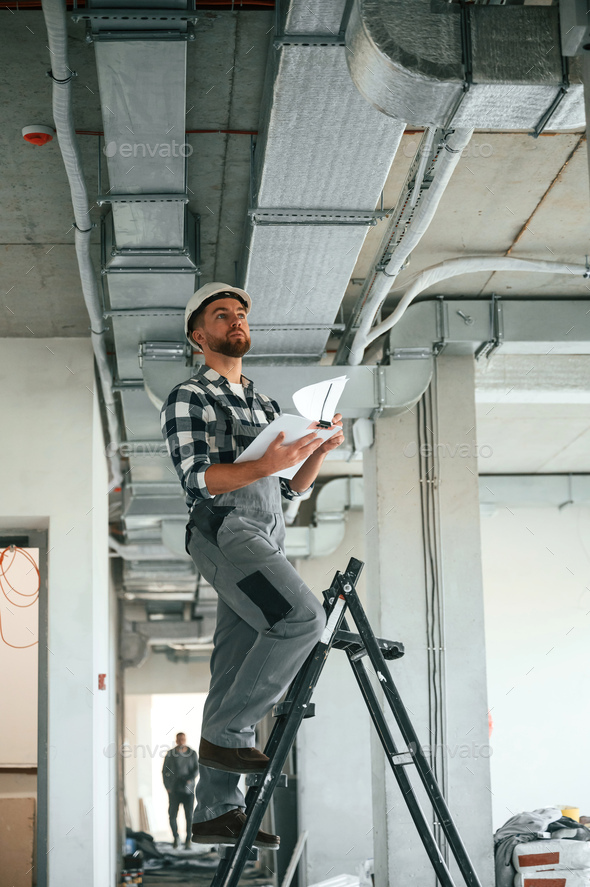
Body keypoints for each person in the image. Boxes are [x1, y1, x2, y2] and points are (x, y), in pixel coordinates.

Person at [160, 282, 344, 850]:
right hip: (224, 529)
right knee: (301, 619)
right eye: (222, 315)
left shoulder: (265, 406)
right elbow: (198, 479)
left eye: (240, 313)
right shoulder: (190, 396)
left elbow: (288, 488)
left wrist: (311, 455)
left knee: (233, 665)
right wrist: (269, 461)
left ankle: (217, 810)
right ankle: (227, 734)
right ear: (200, 335)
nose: (235, 320)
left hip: (266, 531)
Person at [162, 732, 199, 849]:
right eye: (179, 739)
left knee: (189, 816)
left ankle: (188, 839)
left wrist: (190, 779)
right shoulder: (170, 754)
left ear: (185, 739)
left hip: (188, 790)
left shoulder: (192, 753)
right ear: (176, 740)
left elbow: (197, 769)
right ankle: (176, 838)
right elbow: (164, 771)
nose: (181, 741)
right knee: (172, 815)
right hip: (174, 790)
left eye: (183, 739)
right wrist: (167, 786)